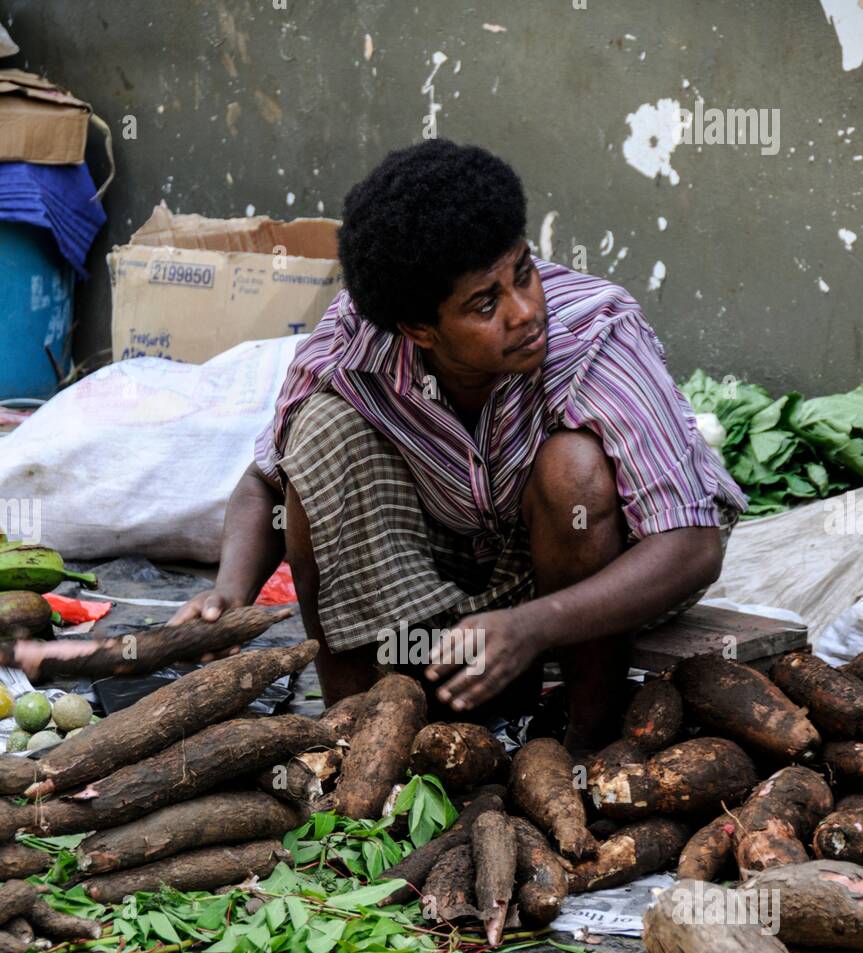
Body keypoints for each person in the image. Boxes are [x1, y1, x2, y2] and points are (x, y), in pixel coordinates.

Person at [173, 141, 746, 752]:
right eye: (485, 304)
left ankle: (588, 745)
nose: (526, 312)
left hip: (606, 572)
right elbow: (266, 482)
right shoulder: (357, 338)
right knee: (320, 433)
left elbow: (692, 544)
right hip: (457, 569)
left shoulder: (594, 335)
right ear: (420, 330)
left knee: (572, 470)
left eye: (522, 273)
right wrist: (231, 595)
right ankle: (354, 742)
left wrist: (531, 626)